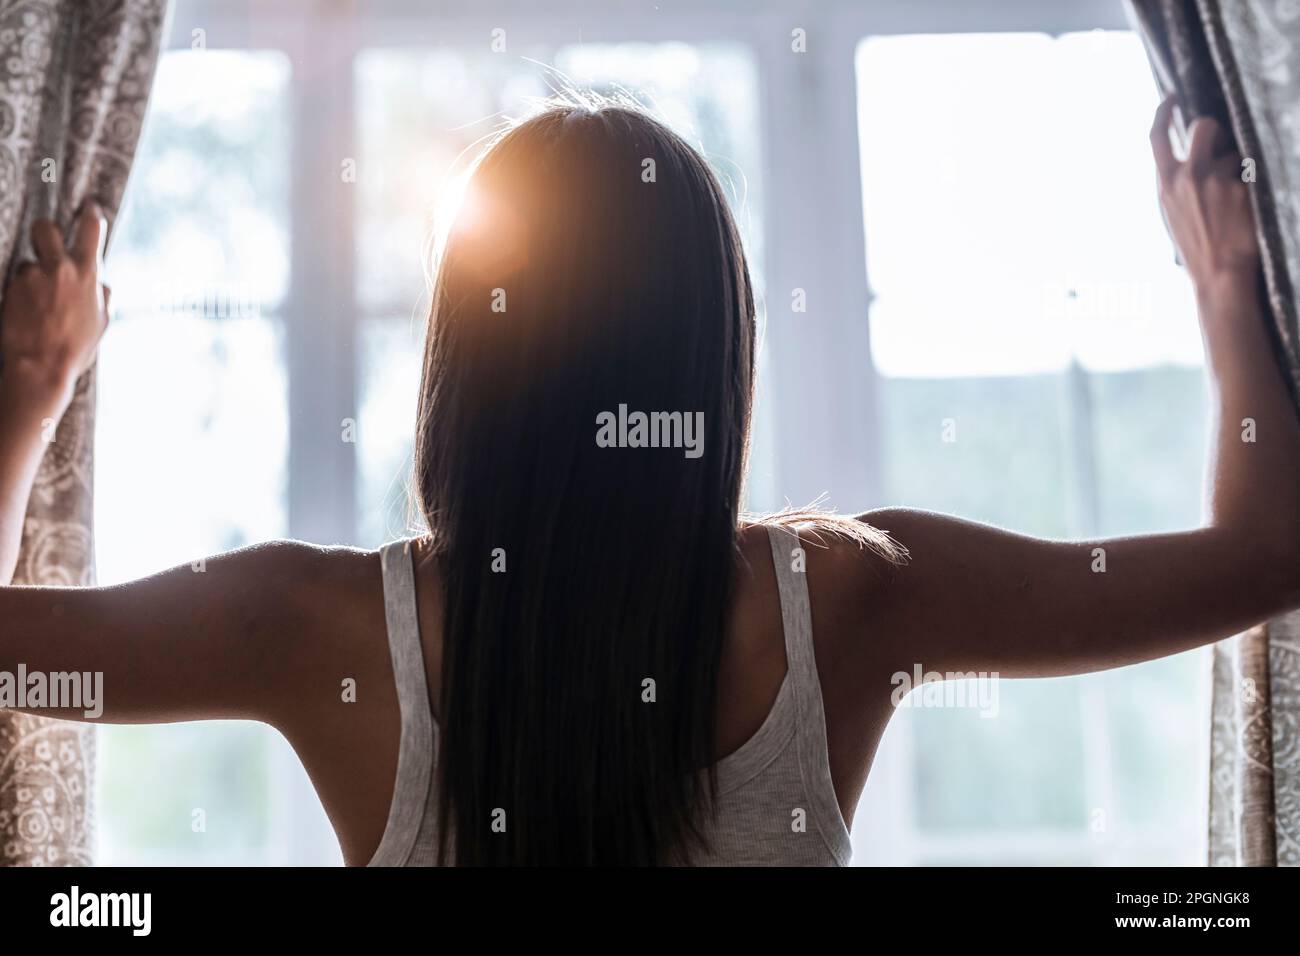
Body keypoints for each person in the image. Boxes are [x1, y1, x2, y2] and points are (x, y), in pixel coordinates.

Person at [0, 95, 1294, 866]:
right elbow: (1267, 555)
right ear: (714, 354)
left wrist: (31, 390)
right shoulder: (851, 598)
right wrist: (1234, 287)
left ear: (463, 360)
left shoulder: (312, 625)